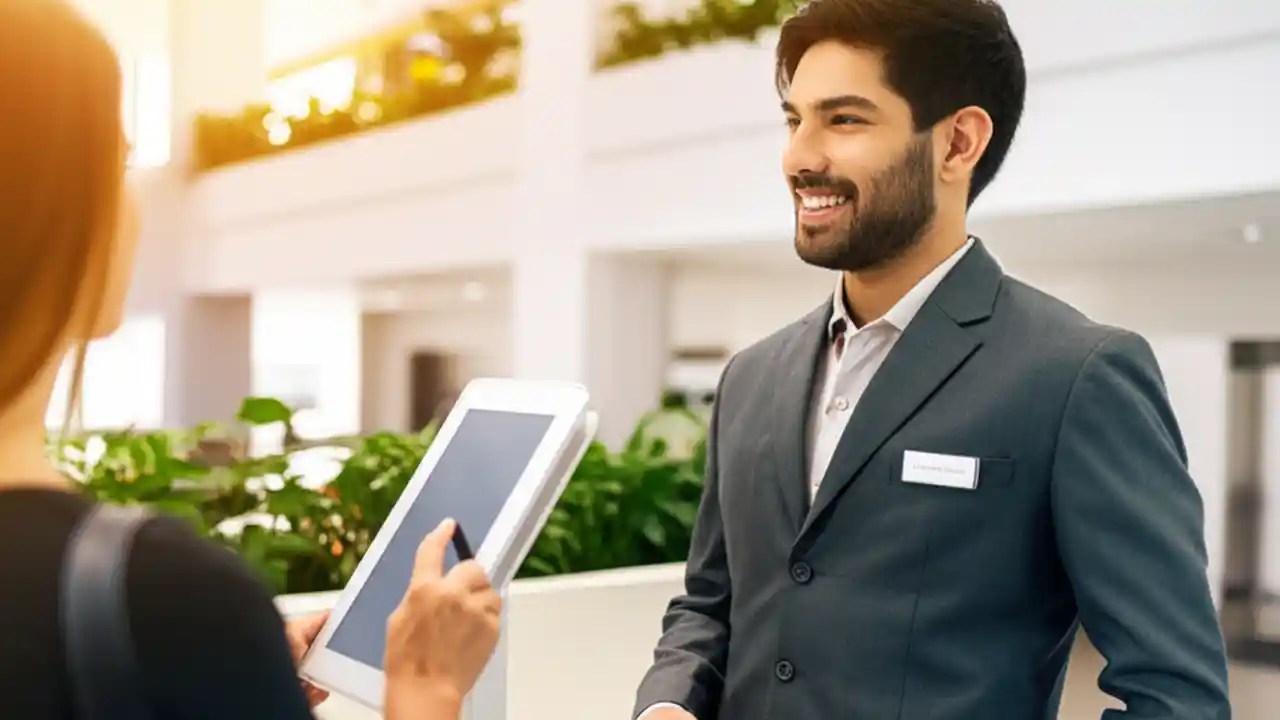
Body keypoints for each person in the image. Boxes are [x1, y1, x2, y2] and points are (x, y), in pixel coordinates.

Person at [633, 1, 1232, 718]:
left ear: (957, 144)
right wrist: (669, 703)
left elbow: (1176, 694)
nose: (800, 156)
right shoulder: (751, 377)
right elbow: (708, 607)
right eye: (795, 120)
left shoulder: (1075, 377)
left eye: (844, 119)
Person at [0, 2, 501, 718]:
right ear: (50, 207)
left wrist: (239, 676)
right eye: (123, 160)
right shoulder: (161, 600)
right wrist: (427, 688)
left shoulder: (181, 618)